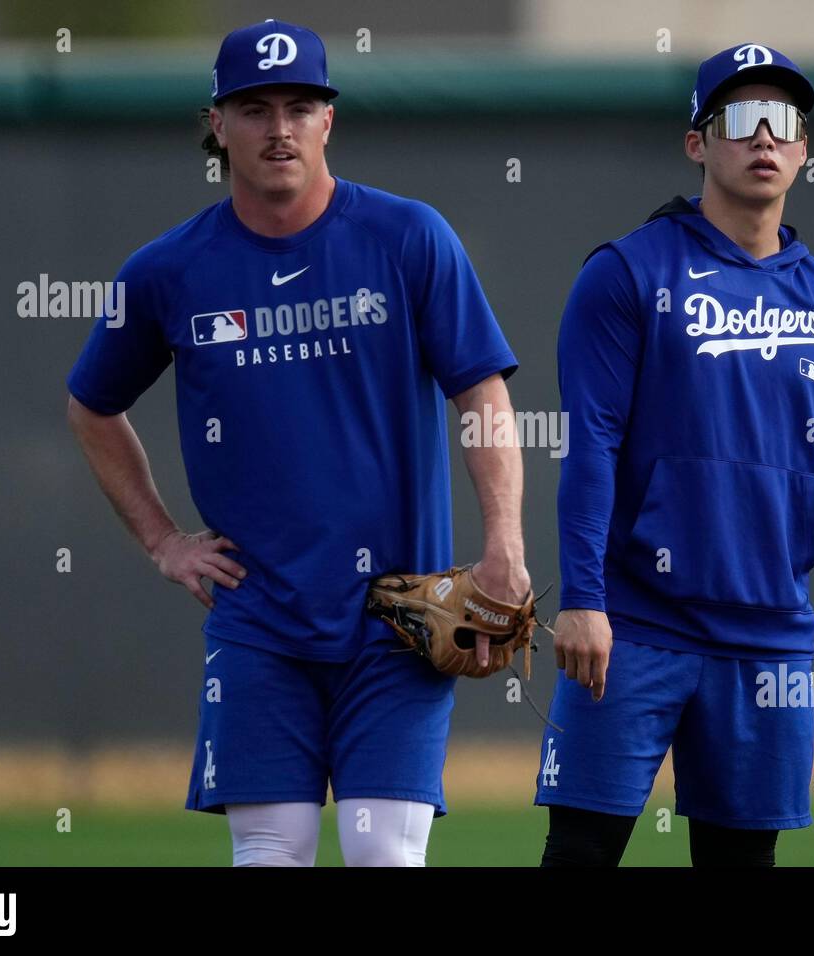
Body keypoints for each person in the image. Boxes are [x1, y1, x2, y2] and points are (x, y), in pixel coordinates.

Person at [66, 19, 528, 866]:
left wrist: (504, 543)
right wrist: (163, 541)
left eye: (299, 105)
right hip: (258, 620)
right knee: (270, 855)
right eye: (254, 108)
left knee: (382, 854)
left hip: (398, 617)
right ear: (217, 123)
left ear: (328, 121)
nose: (278, 127)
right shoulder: (168, 271)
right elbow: (92, 405)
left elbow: (482, 392)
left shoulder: (408, 237)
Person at [536, 42, 814, 867]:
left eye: (783, 121)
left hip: (768, 640)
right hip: (634, 625)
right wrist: (581, 598)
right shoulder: (627, 273)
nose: (764, 138)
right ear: (697, 142)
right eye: (740, 119)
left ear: (803, 149)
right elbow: (593, 444)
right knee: (579, 852)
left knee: (741, 866)